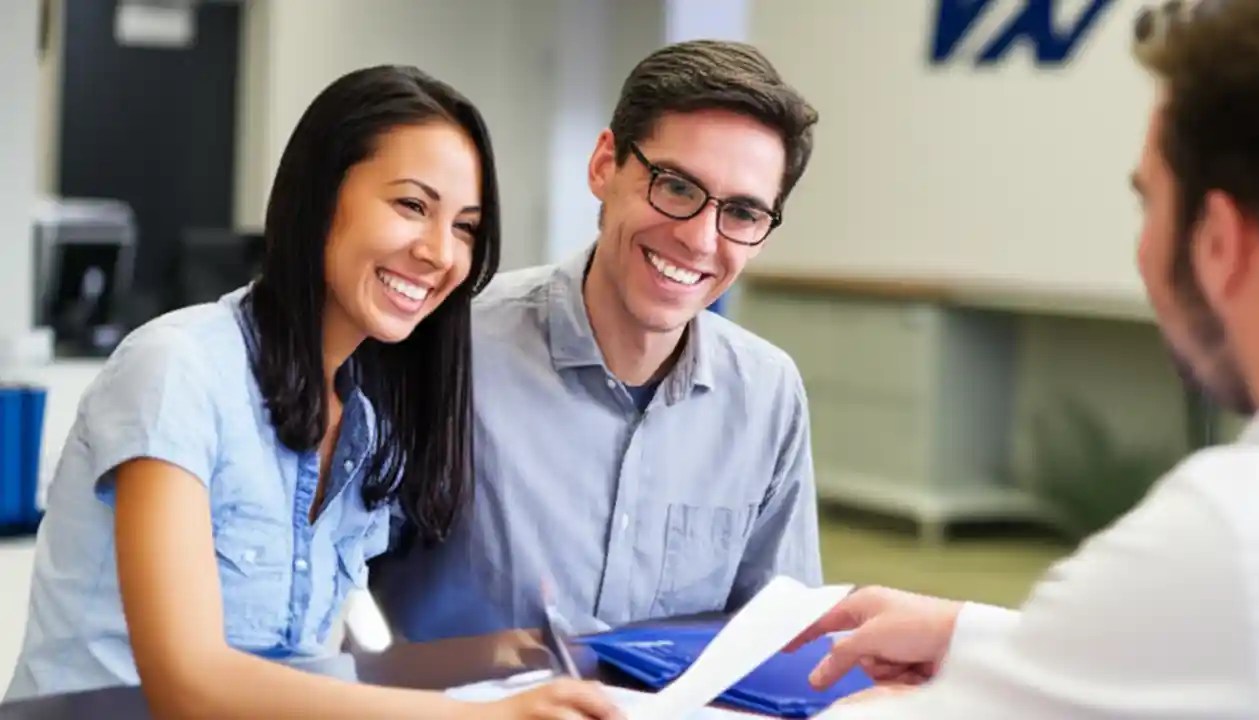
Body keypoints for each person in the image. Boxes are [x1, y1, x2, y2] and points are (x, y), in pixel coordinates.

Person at [4, 65, 620, 720]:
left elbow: (310, 672)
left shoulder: (365, 424)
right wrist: (484, 717)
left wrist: (524, 661)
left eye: (465, 227)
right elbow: (189, 686)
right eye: (413, 206)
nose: (441, 252)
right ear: (322, 195)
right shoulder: (177, 369)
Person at [785, 2, 1259, 718]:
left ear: (1217, 243)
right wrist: (970, 633)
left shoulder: (1230, 531)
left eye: (1150, 205)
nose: (1143, 250)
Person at [371, 40, 824, 641]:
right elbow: (337, 607)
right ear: (604, 166)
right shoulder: (448, 349)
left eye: (742, 213)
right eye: (677, 187)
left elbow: (778, 638)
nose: (700, 240)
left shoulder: (767, 394)